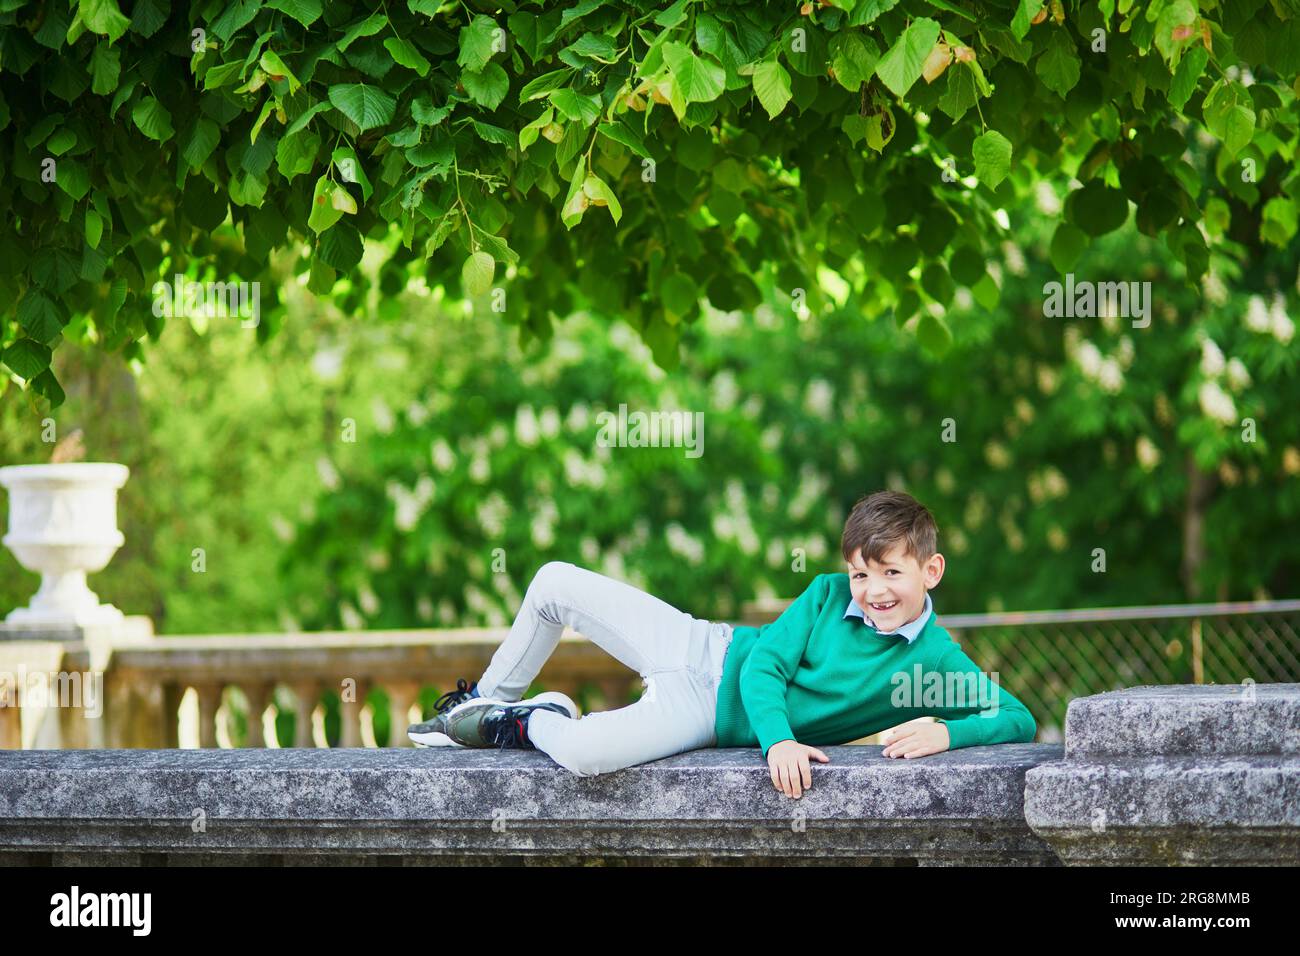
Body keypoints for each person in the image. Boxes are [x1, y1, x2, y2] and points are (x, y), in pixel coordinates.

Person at [409, 490, 1037, 798]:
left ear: (931, 572)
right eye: (861, 573)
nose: (873, 590)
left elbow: (1018, 717)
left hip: (704, 714)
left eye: (892, 573)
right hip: (703, 648)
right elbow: (763, 663)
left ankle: (530, 719)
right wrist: (781, 740)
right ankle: (474, 707)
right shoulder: (824, 596)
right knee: (552, 583)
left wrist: (947, 733)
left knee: (583, 754)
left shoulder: (933, 659)